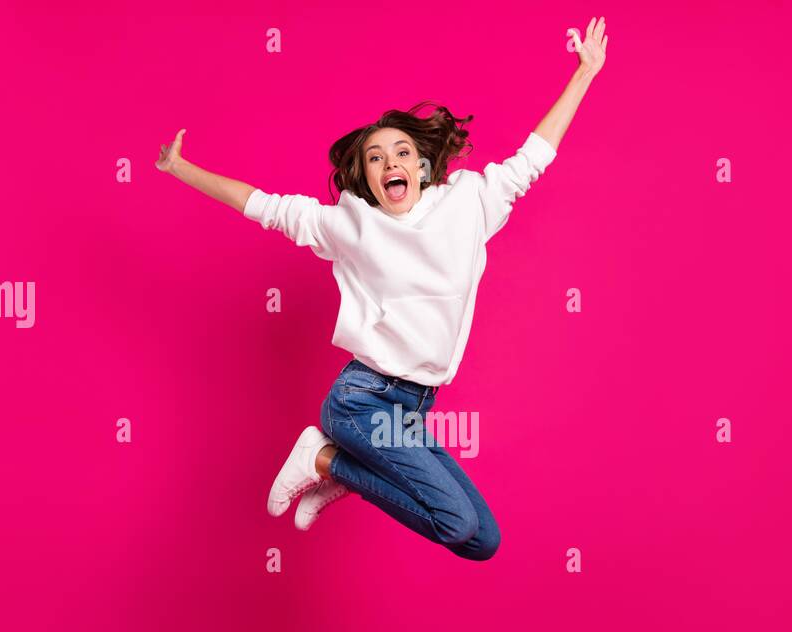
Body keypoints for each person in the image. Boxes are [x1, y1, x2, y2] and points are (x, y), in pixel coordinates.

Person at [157, 17, 609, 560]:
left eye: (399, 152)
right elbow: (264, 207)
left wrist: (584, 72)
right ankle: (326, 458)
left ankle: (341, 466)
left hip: (415, 406)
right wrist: (181, 169)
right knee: (455, 520)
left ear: (420, 165)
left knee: (481, 541)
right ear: (366, 178)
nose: (389, 162)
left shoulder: (469, 203)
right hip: (362, 400)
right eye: (375, 158)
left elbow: (532, 158)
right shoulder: (352, 224)